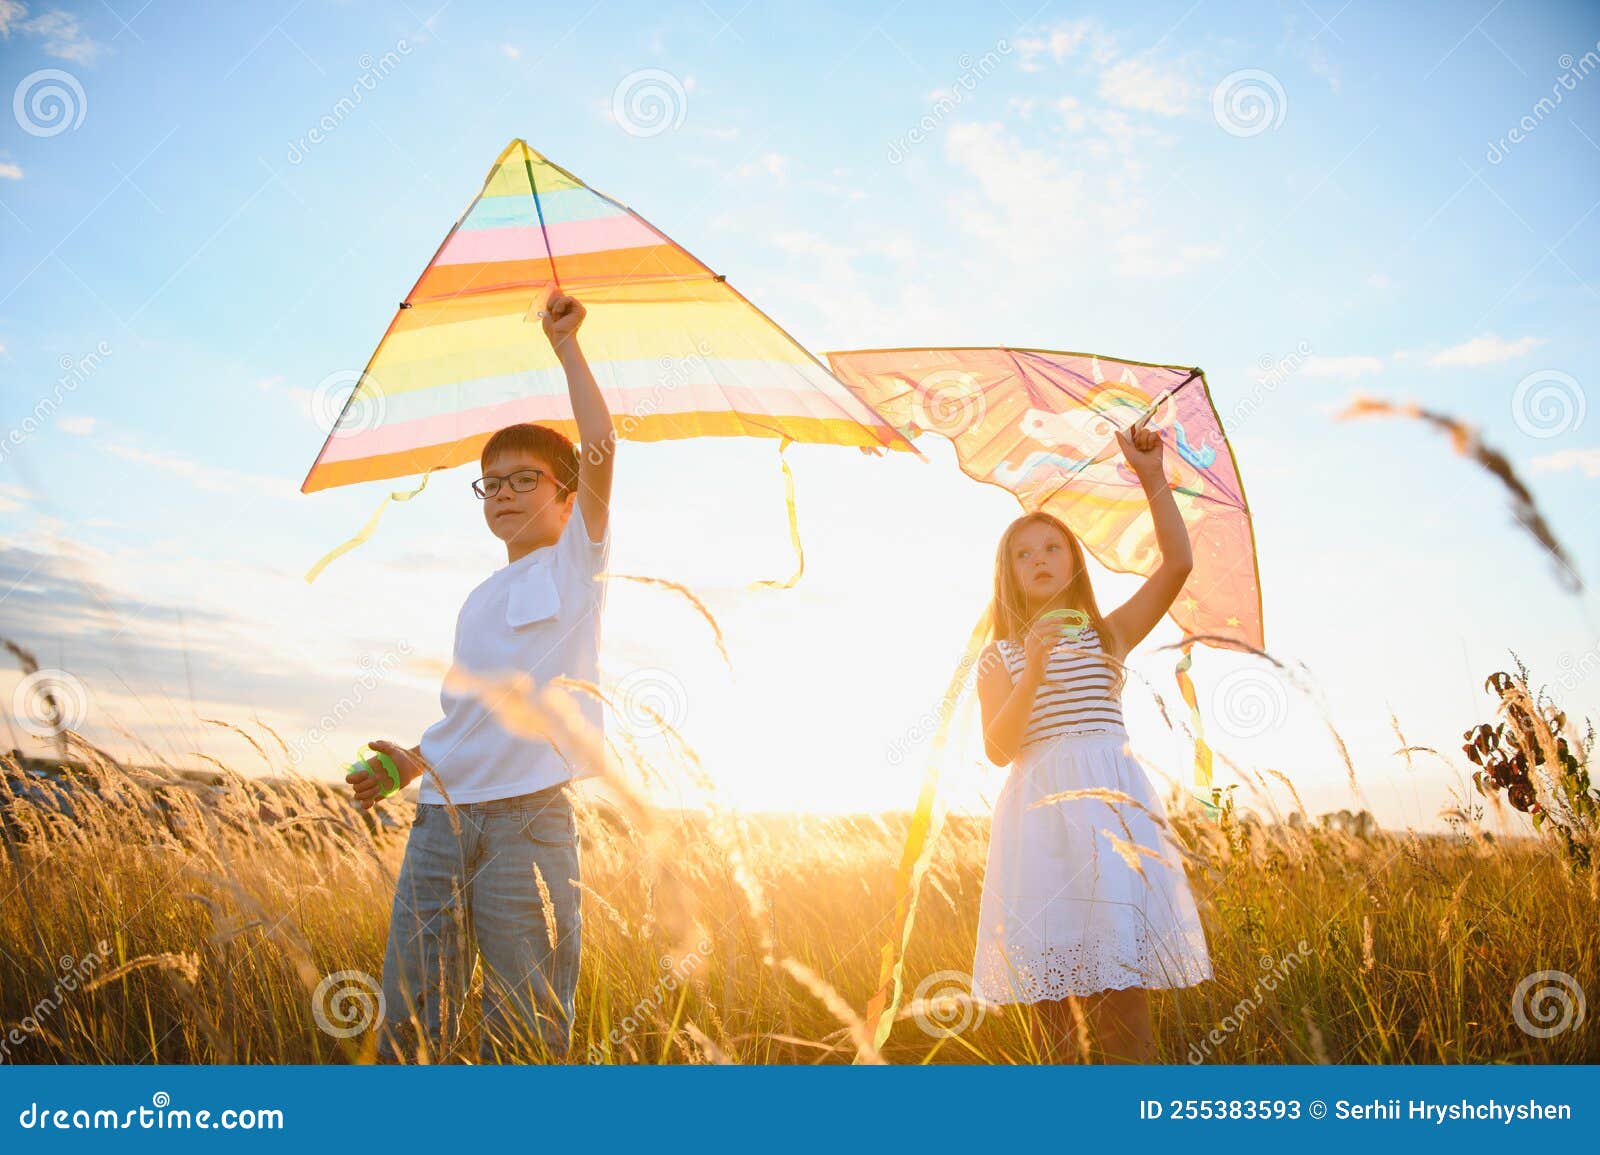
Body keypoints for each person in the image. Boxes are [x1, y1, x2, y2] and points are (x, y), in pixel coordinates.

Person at [349, 292, 614, 1062]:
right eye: (489, 483)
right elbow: (471, 720)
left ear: (567, 495)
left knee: (525, 1025)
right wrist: (409, 761)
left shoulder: (577, 563)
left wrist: (565, 347)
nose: (501, 493)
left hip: (526, 827)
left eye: (522, 479)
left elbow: (599, 443)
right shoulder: (477, 599)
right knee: (411, 1013)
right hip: (441, 817)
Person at [971, 413, 1212, 1063]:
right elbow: (999, 747)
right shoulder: (999, 658)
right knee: (1052, 1001)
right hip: (1038, 823)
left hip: (1111, 812)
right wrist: (1035, 670)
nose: (1039, 559)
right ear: (1009, 574)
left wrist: (1151, 473)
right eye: (1024, 554)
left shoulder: (1107, 635)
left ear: (1073, 561)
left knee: (1122, 989)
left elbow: (1178, 563)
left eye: (1052, 548)